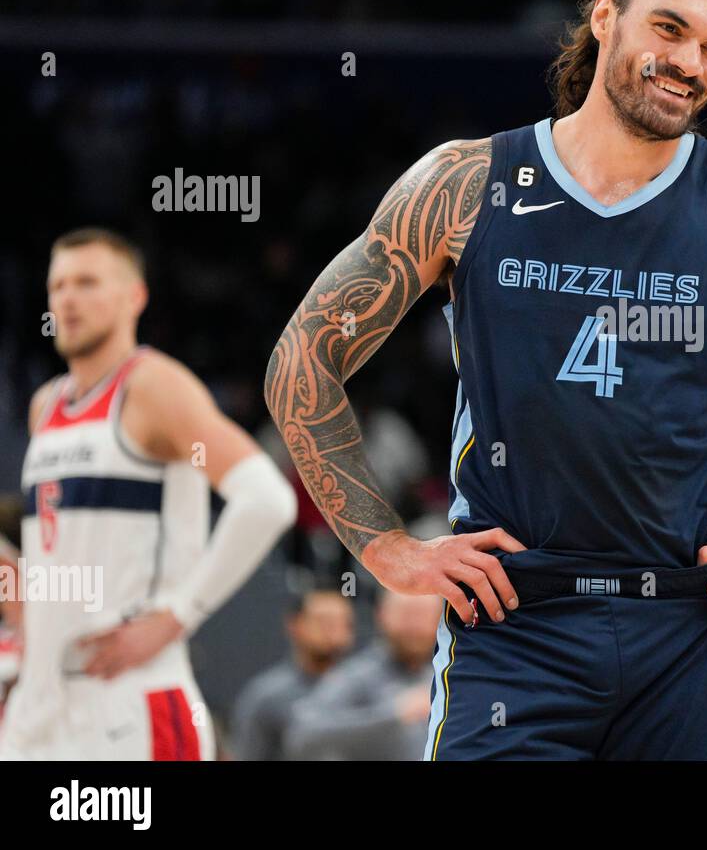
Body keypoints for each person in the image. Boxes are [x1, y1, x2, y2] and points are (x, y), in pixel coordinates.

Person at [265, 0, 707, 760]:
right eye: (670, 29)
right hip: (514, 618)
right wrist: (386, 548)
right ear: (605, 16)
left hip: (697, 626)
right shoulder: (467, 184)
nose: (691, 62)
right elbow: (303, 360)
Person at [1, 228, 297, 760]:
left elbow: (266, 498)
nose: (67, 298)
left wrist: (177, 614)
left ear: (134, 296)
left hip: (130, 704)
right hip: (41, 707)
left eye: (87, 282)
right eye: (58, 285)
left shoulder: (152, 386)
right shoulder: (45, 405)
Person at [283, 592, 439, 761]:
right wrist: (394, 715)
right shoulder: (356, 676)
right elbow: (304, 732)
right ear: (382, 615)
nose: (415, 625)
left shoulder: (445, 677)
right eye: (407, 613)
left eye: (424, 614)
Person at [229, 588, 355, 760]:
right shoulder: (265, 696)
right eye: (323, 621)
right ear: (294, 624)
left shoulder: (366, 690)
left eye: (342, 622)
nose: (333, 631)